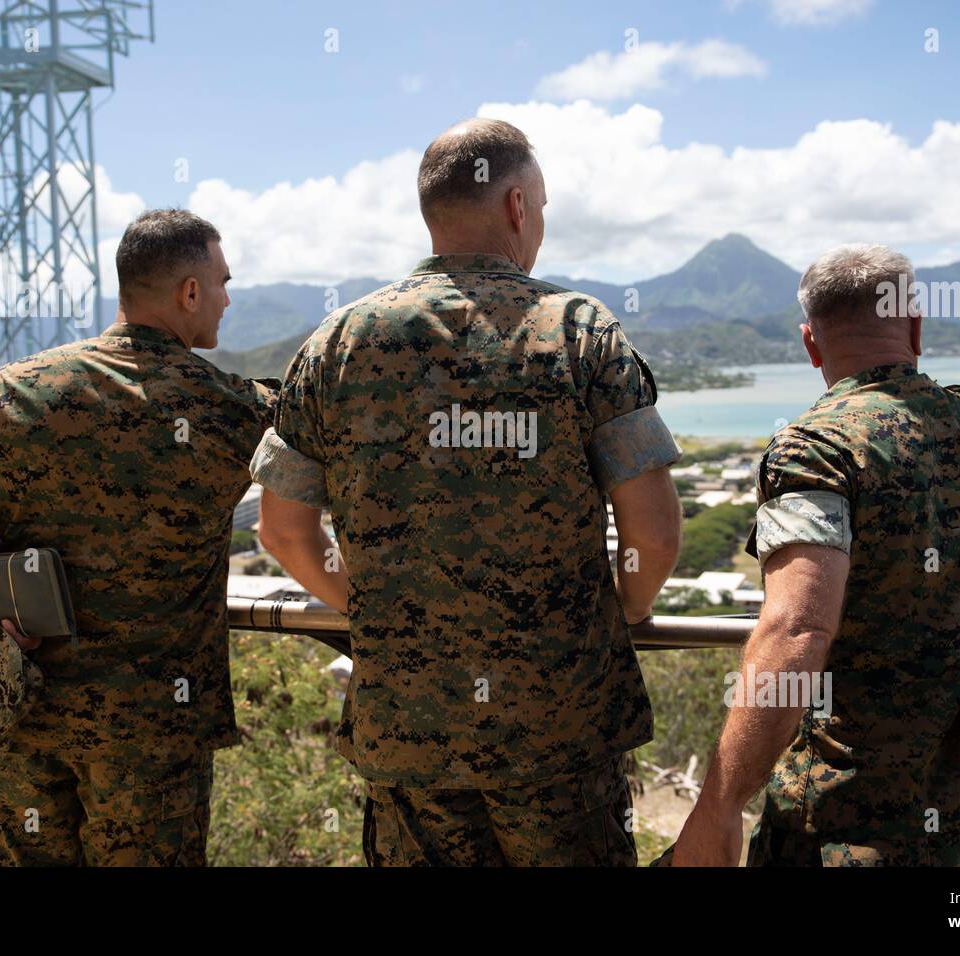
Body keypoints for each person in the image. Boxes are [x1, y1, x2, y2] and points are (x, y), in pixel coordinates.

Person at [252, 117, 683, 866]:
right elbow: (653, 534)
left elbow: (282, 529)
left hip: (406, 728)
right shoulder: (579, 330)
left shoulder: (338, 342)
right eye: (540, 208)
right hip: (560, 727)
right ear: (517, 207)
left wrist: (369, 607)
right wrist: (625, 612)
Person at [0, 209, 275, 866]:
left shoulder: (10, 391)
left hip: (25, 711)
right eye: (222, 281)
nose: (228, 297)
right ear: (190, 293)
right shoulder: (233, 407)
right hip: (153, 737)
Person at [671, 243, 960, 866]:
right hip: (959, 823)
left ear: (810, 344)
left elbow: (796, 628)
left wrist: (719, 808)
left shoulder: (818, 447)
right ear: (917, 329)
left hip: (839, 826)